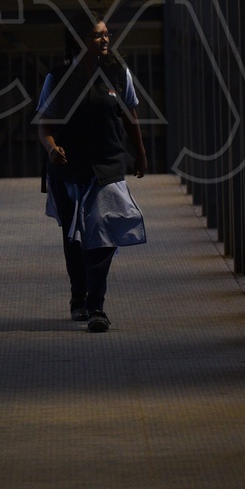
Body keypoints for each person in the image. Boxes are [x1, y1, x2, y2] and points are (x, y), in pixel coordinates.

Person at [34, 20, 149, 333]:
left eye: (107, 33)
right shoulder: (58, 77)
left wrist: (140, 152)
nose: (105, 38)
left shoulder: (117, 71)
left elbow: (131, 116)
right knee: (73, 236)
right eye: (97, 34)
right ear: (79, 39)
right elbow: (45, 125)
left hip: (107, 163)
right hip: (69, 167)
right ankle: (79, 297)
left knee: (102, 230)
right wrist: (51, 147)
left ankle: (97, 305)